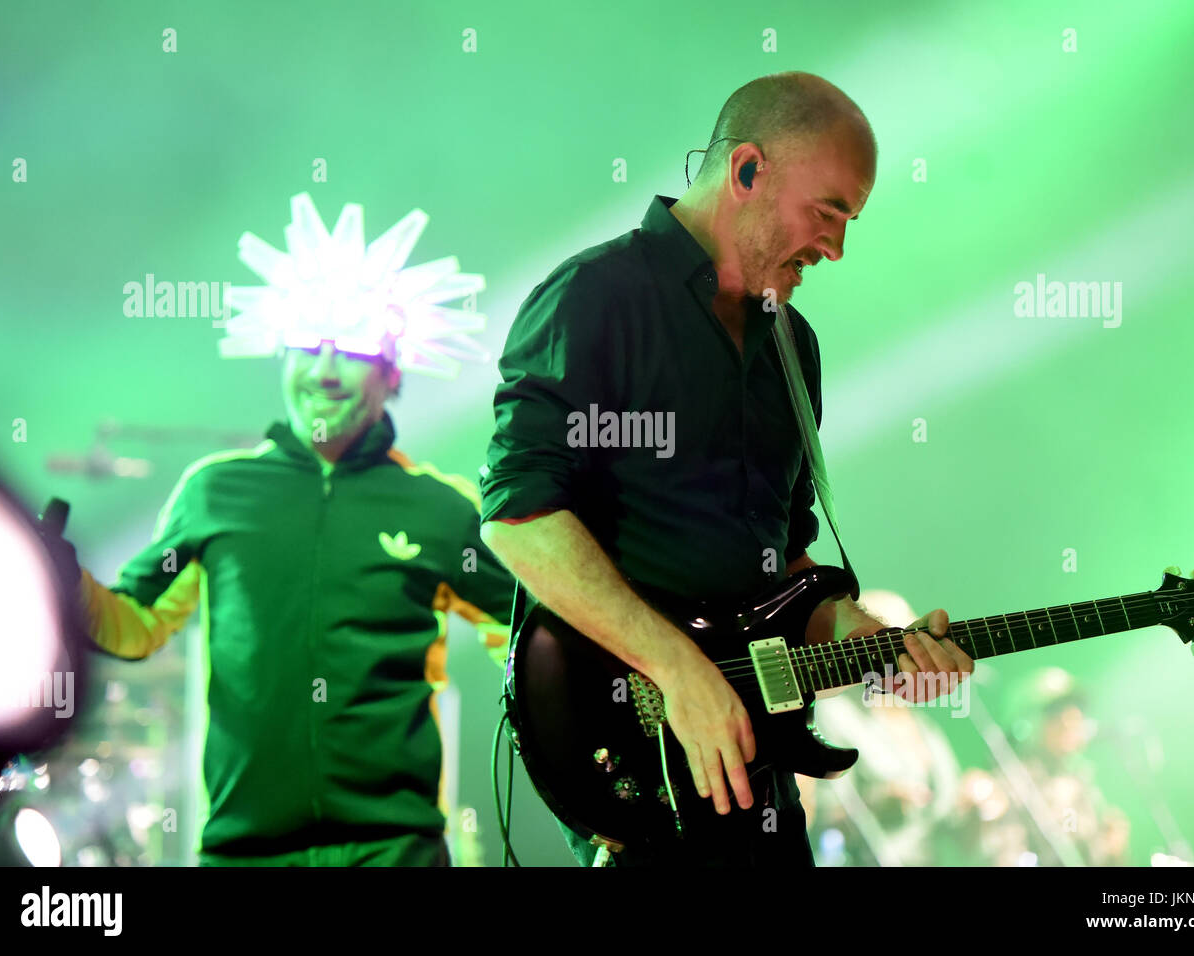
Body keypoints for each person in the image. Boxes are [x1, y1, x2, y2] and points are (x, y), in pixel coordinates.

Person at [479, 72, 974, 866]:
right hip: (643, 759)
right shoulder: (595, 296)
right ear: (747, 171)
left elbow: (785, 562)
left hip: (762, 779)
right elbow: (518, 518)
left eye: (851, 222)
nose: (837, 247)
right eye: (829, 211)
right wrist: (678, 669)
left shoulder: (792, 344)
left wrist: (867, 642)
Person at [71, 193, 515, 866]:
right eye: (308, 343)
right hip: (241, 854)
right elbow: (133, 623)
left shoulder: (441, 509)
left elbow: (530, 640)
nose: (326, 369)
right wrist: (54, 578)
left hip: (395, 854)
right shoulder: (214, 491)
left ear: (393, 371)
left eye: (355, 345)